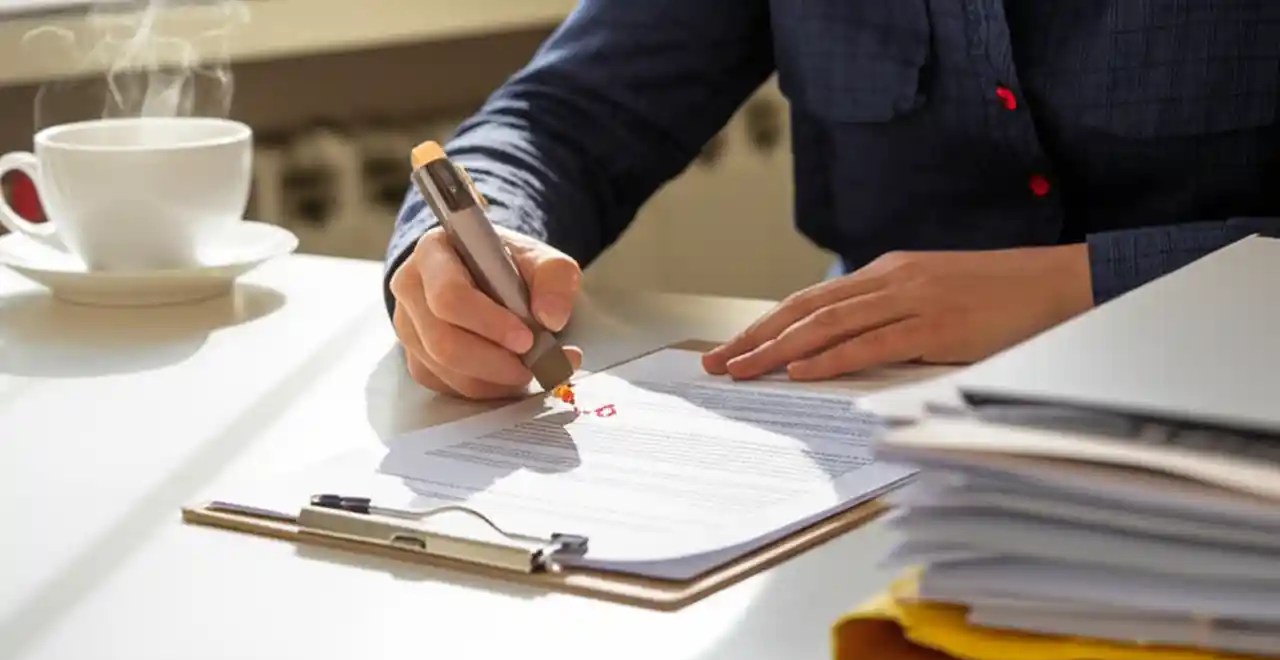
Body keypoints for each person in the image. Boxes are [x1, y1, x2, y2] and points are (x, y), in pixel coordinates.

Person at [384, 1, 1280, 400]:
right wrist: (468, 236)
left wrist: (1079, 289)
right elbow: (572, 111)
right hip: (863, 419)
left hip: (1231, 404)